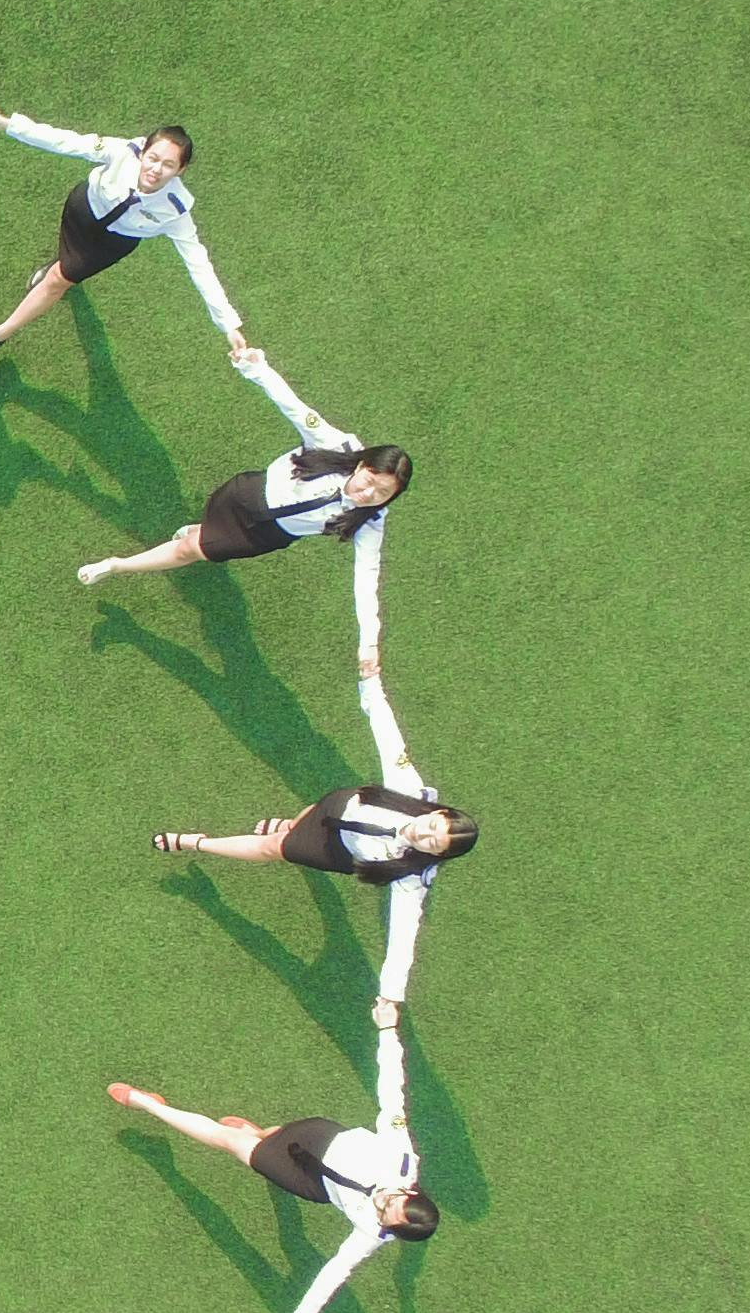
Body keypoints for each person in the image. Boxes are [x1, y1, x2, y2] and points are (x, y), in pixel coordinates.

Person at [155, 666, 473, 1008]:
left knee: (274, 847)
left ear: (435, 855)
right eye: (431, 827)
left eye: (430, 844)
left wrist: (390, 997)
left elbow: (402, 940)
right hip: (338, 804)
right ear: (437, 812)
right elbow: (388, 734)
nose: (421, 834)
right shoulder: (408, 788)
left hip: (333, 850)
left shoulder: (411, 879)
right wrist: (371, 684)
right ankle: (287, 825)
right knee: (302, 820)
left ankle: (197, 842)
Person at [104, 997, 436, 1245]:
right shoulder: (401, 1157)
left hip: (311, 1181)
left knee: (228, 1141)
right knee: (270, 1138)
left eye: (385, 1215)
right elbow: (393, 1090)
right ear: (408, 1191)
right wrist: (388, 1029)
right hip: (320, 1137)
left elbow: (336, 1272)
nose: (382, 1205)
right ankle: (260, 1135)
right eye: (391, 1201)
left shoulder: (374, 1232)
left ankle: (146, 1103)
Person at [76, 341, 408, 588]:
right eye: (370, 481)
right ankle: (197, 531)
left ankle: (116, 565)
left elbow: (367, 579)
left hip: (265, 534)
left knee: (189, 550)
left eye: (382, 494)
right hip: (247, 493)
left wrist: (368, 648)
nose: (369, 494)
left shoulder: (371, 520)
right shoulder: (337, 446)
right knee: (197, 535)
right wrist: (257, 369)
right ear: (363, 464)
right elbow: (294, 407)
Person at [0, 116, 241, 367]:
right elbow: (63, 140)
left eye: (168, 165)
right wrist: (4, 123)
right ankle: (57, 266)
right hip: (81, 211)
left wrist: (228, 325)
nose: (156, 169)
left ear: (180, 170)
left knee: (59, 279)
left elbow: (199, 265)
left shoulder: (176, 209)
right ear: (143, 151)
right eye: (153, 158)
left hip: (111, 244)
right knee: (60, 269)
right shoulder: (122, 151)